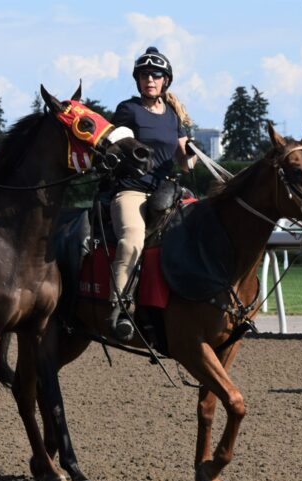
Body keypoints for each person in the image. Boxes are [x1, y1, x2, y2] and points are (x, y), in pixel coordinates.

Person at [108, 46, 197, 341]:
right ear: (138, 80)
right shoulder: (128, 110)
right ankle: (120, 307)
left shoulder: (173, 116)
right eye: (145, 75)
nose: (150, 80)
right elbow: (116, 145)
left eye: (156, 75)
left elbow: (185, 163)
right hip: (132, 191)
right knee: (132, 239)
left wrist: (191, 152)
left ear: (165, 81)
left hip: (167, 192)